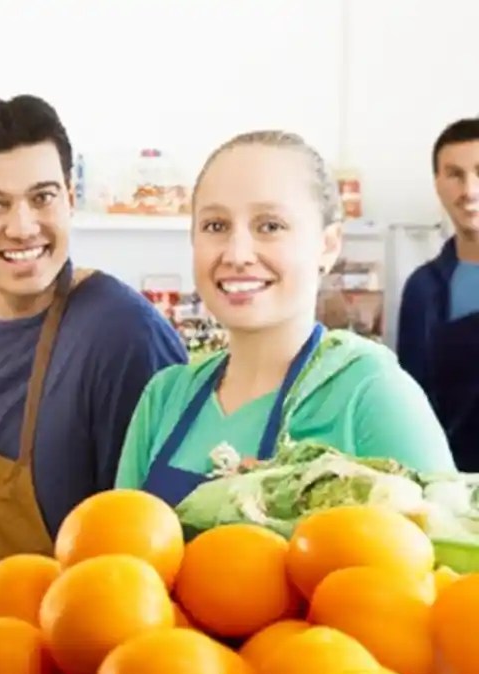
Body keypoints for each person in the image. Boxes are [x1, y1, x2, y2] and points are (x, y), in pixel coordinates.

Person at [116, 130, 455, 500]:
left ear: (327, 246)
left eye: (270, 226)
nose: (237, 253)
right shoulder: (166, 397)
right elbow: (116, 551)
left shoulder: (370, 394)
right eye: (216, 226)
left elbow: (450, 548)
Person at [0, 95, 187, 586]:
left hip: (87, 645)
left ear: (70, 197)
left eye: (43, 197)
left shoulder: (121, 335)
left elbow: (159, 543)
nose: (23, 226)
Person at [398, 118, 479, 471]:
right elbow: (410, 405)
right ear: (438, 185)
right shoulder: (422, 290)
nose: (470, 190)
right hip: (453, 491)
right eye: (455, 175)